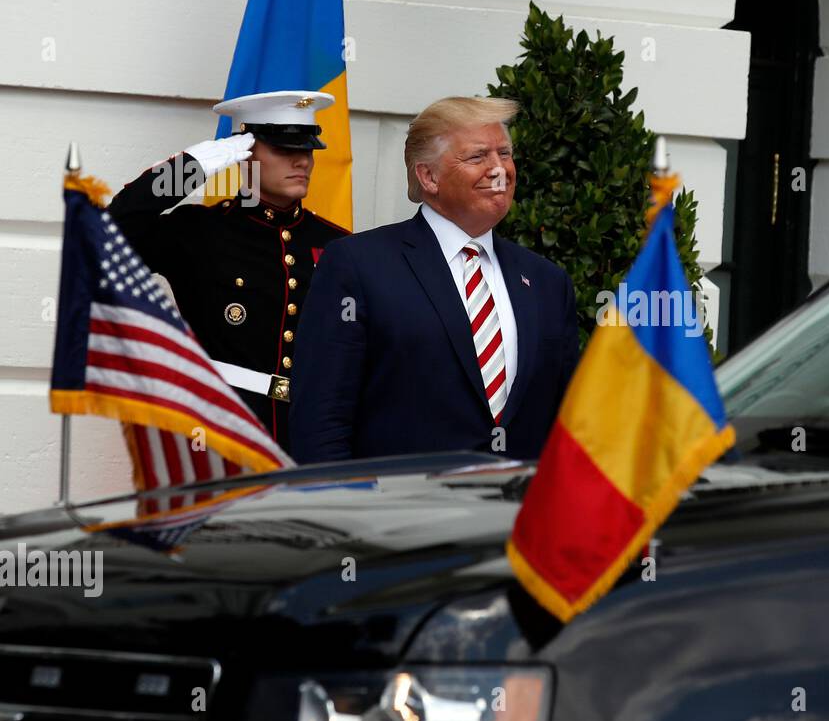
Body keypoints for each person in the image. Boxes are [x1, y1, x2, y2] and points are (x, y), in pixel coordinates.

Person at [289, 96, 579, 462]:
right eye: (478, 157)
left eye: (504, 154)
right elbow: (321, 422)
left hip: (518, 514)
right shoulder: (358, 265)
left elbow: (569, 422)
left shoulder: (547, 282)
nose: (499, 170)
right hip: (401, 513)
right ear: (428, 177)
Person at [107, 90, 349, 452]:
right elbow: (110, 232)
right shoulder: (200, 231)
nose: (301, 161)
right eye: (285, 150)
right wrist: (187, 170)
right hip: (222, 424)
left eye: (308, 150)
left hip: (310, 429)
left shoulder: (337, 244)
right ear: (245, 155)